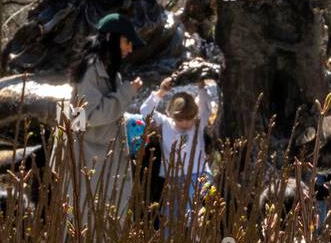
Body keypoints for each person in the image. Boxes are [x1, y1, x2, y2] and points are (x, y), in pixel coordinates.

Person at [54, 14, 144, 224]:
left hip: (102, 164)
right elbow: (90, 116)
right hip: (91, 167)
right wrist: (127, 92)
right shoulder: (91, 71)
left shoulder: (108, 71)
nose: (130, 49)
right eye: (127, 42)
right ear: (112, 38)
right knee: (93, 230)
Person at [139, 77, 216, 226]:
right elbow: (145, 110)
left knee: (195, 218)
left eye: (189, 118)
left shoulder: (197, 125)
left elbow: (205, 108)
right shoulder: (165, 124)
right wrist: (161, 92)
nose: (186, 122)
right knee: (170, 220)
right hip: (172, 179)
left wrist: (201, 87)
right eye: (181, 119)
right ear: (172, 114)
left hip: (198, 177)